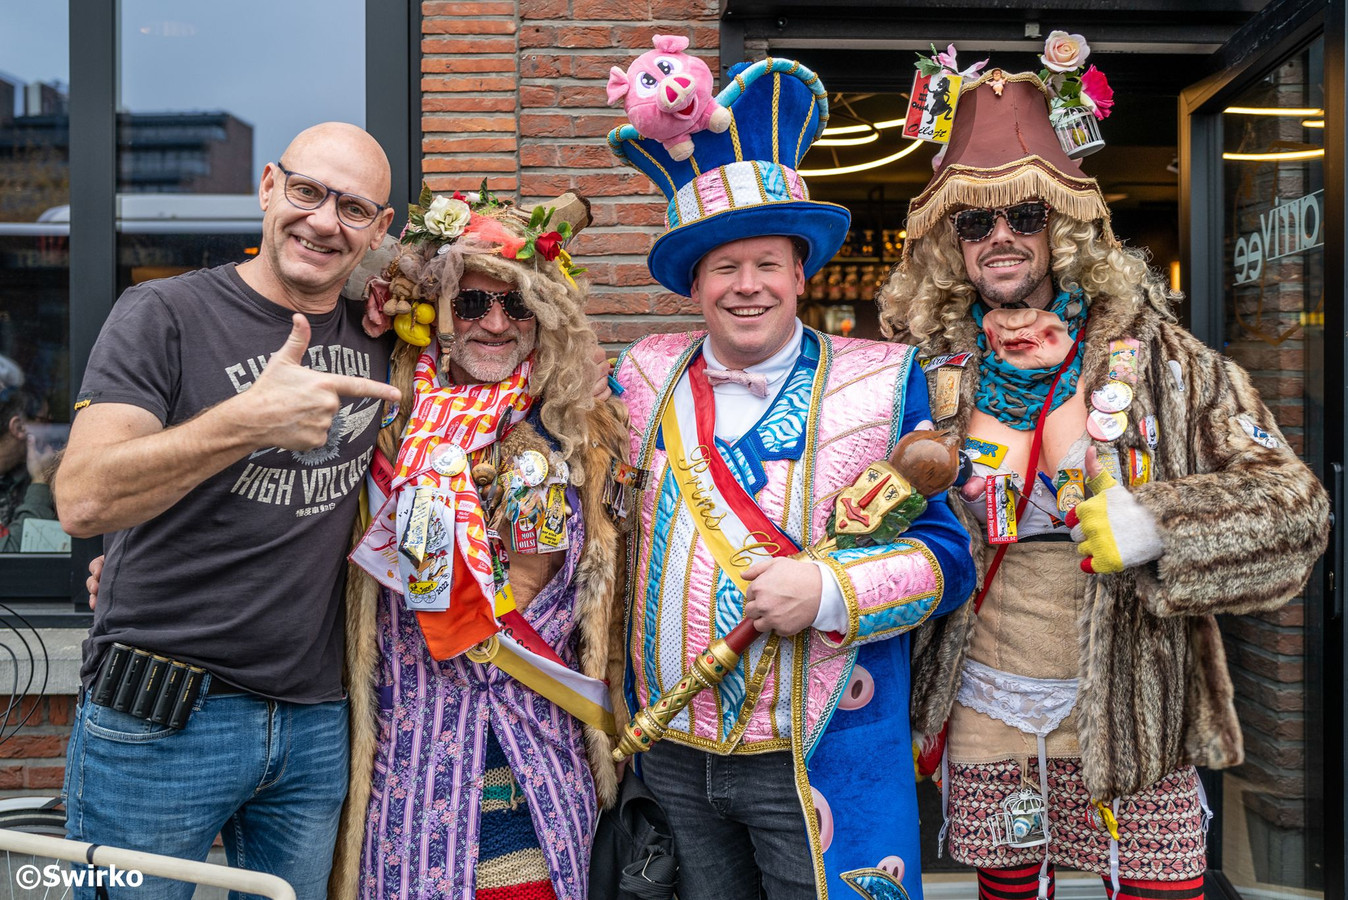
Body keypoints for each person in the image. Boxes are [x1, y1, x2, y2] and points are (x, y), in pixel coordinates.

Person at [877, 65, 1330, 900]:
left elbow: (1296, 506)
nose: (1001, 235)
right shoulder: (922, 376)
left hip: (1132, 701)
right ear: (953, 241)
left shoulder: (1165, 362)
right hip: (986, 700)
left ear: (1065, 230)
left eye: (1026, 214)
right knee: (1009, 887)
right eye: (976, 220)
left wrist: (1157, 523)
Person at [606, 55, 977, 900]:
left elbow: (948, 560)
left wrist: (829, 591)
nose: (747, 286)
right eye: (723, 268)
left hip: (822, 749)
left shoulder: (883, 379)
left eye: (767, 263)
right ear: (693, 285)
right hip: (670, 749)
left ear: (801, 274)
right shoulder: (639, 375)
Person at [55, 122, 402, 899]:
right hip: (161, 712)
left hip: (317, 717)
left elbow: (499, 301)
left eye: (353, 209)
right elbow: (81, 498)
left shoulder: (388, 332)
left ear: (381, 230)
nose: (322, 221)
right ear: (270, 186)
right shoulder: (163, 314)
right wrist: (246, 422)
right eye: (307, 192)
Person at [326, 187, 631, 900]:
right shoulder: (381, 424)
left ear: (543, 317)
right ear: (437, 316)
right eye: (471, 305)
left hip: (544, 755)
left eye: (516, 305)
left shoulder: (593, 431)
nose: (494, 324)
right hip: (414, 766)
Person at [0, 385, 59, 552]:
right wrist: (40, 481)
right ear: (19, 427)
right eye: (46, 422)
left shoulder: (16, 474)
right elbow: (11, 553)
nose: (51, 432)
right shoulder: (37, 474)